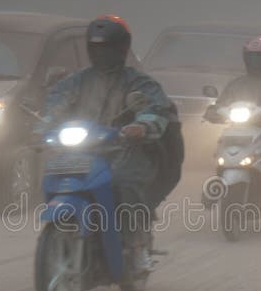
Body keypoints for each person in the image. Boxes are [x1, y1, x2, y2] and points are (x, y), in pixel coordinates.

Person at [40, 14, 180, 271]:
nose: (101, 54)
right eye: (96, 48)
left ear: (122, 49)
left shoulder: (138, 81)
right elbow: (55, 104)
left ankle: (136, 244)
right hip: (81, 151)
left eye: (107, 48)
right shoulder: (77, 81)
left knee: (123, 184)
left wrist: (143, 125)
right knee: (53, 175)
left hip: (124, 151)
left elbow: (154, 106)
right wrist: (42, 126)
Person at [205, 36, 261, 201]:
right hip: (238, 129)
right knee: (220, 153)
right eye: (252, 58)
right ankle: (216, 186)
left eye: (260, 58)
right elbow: (221, 103)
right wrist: (213, 111)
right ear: (246, 59)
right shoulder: (236, 84)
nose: (256, 62)